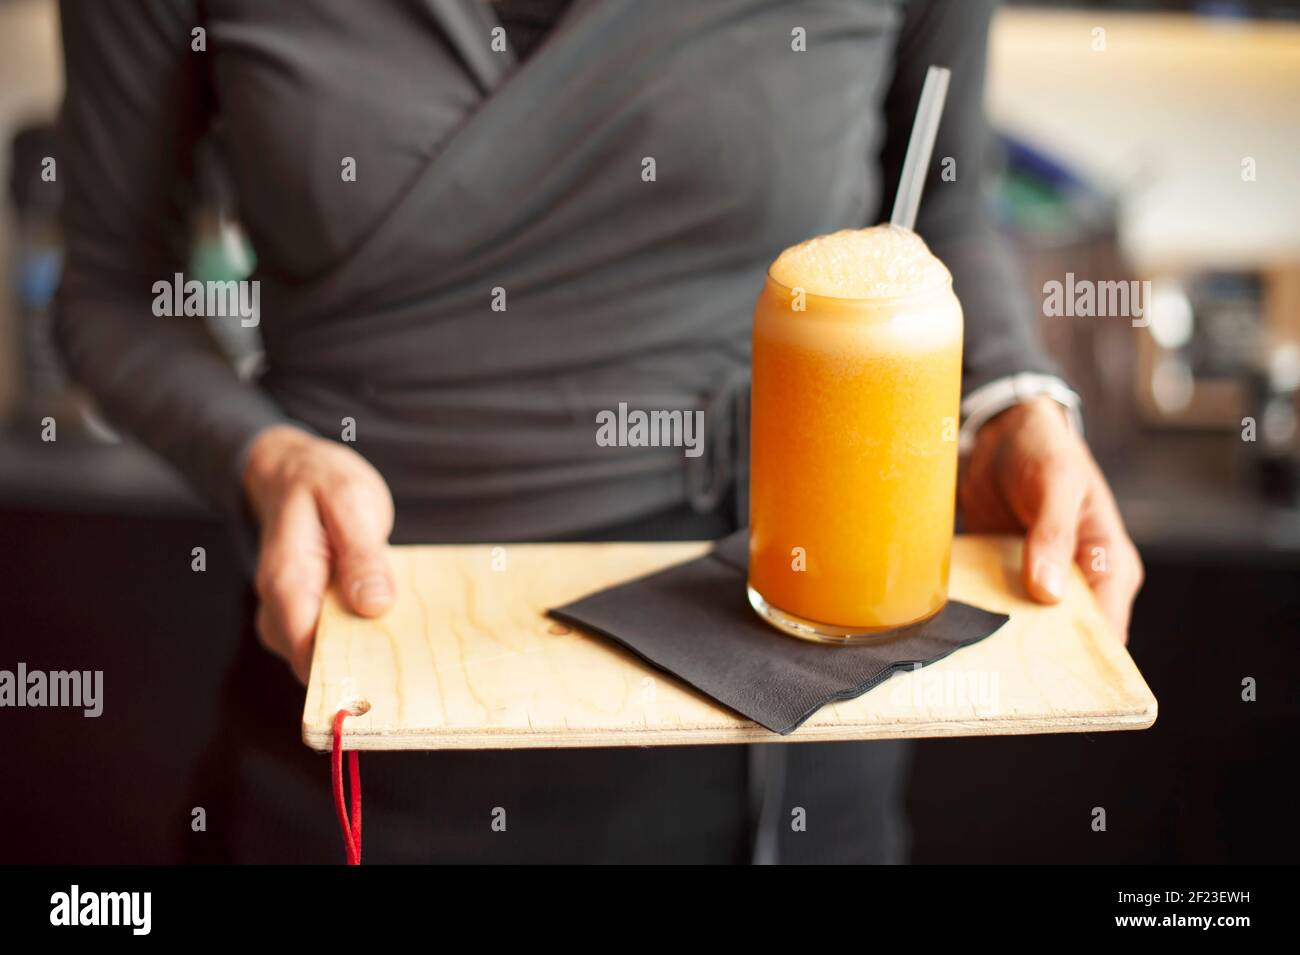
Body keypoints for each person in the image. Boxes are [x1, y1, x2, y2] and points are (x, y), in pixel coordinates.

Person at [55, 0, 1143, 863]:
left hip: (782, 690)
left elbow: (943, 206)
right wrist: (269, 456)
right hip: (375, 672)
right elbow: (108, 290)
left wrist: (1011, 403)